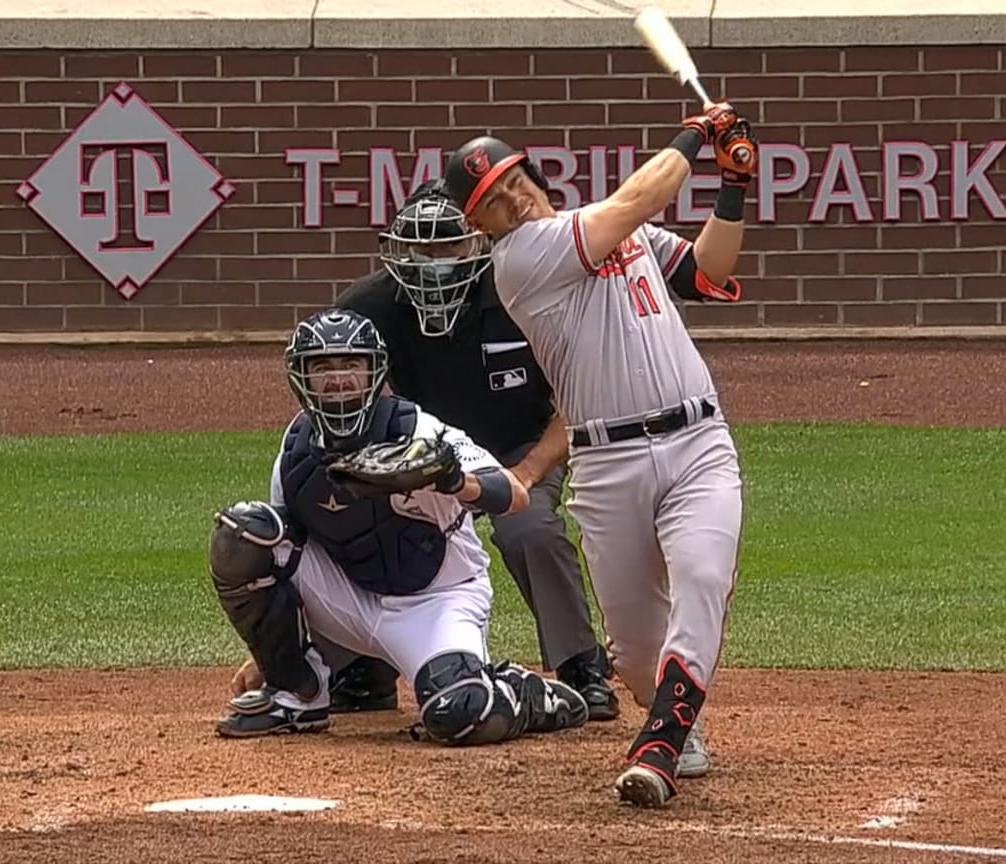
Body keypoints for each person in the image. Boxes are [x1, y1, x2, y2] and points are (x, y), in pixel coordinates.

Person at [441, 104, 755, 806]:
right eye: (492, 200)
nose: (511, 199)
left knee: (703, 575)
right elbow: (640, 197)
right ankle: (674, 719)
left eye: (514, 181)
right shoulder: (523, 257)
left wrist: (732, 188)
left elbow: (707, 273)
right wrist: (700, 135)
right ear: (478, 225)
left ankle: (663, 741)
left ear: (532, 174)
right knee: (637, 649)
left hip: (697, 442)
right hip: (609, 465)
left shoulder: (613, 227)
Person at [207, 307, 590, 747]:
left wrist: (450, 480)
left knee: (460, 714)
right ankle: (297, 694)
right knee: (243, 532)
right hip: (349, 596)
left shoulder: (416, 428)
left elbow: (513, 495)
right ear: (300, 378)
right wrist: (273, 655)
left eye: (352, 364)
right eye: (323, 367)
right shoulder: (297, 445)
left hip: (435, 600)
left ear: (375, 372)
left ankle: (523, 694)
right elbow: (283, 552)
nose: (338, 379)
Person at [320, 179, 619, 724]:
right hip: (415, 464)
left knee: (528, 530)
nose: (434, 262)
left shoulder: (519, 292)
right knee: (356, 522)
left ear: (477, 242)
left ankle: (580, 663)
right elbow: (336, 403)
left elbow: (576, 400)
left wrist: (527, 471)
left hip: (514, 447)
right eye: (421, 248)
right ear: (398, 249)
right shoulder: (364, 309)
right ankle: (361, 667)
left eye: (448, 246)